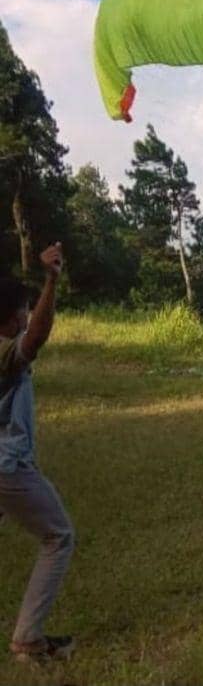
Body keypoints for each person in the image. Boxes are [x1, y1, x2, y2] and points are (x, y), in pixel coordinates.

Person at [0, 243, 75, 664]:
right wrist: (51, 280)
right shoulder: (5, 351)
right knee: (58, 536)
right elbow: (37, 337)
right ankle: (28, 639)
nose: (28, 316)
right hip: (7, 467)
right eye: (24, 310)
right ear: (13, 318)